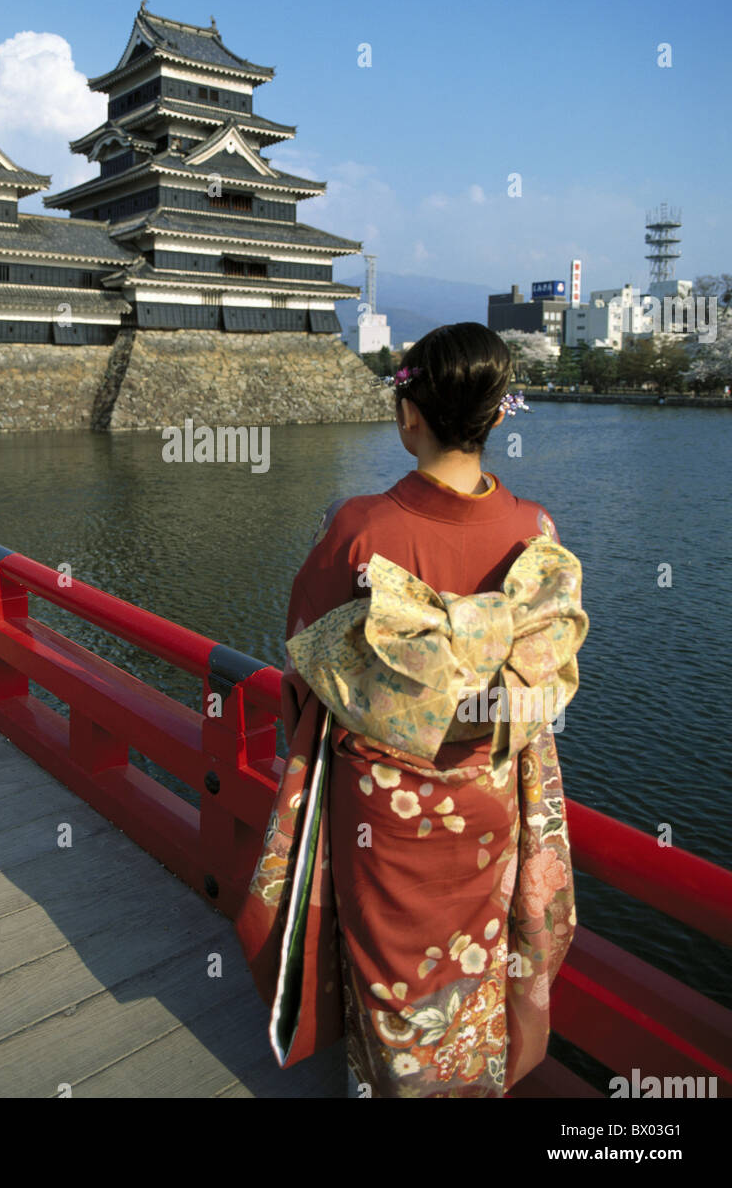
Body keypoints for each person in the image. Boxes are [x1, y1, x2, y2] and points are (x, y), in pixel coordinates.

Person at [235, 323, 588, 1098]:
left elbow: (303, 646)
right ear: (499, 418)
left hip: (385, 801)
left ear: (409, 417)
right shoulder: (536, 530)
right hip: (490, 788)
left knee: (395, 970)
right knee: (477, 954)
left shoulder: (363, 528)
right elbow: (548, 661)